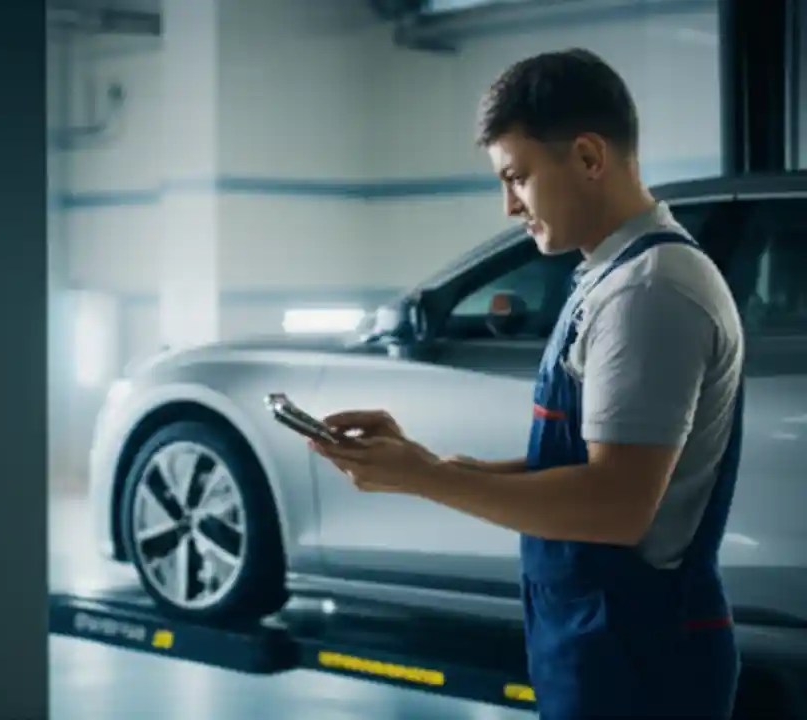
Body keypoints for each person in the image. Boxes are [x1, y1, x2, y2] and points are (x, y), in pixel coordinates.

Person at [310, 48, 745, 719]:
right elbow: (582, 465)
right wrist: (427, 464)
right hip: (599, 638)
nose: (509, 205)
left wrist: (428, 480)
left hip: (641, 652)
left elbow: (617, 504)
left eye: (518, 177)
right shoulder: (608, 276)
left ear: (589, 157)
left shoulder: (649, 291)